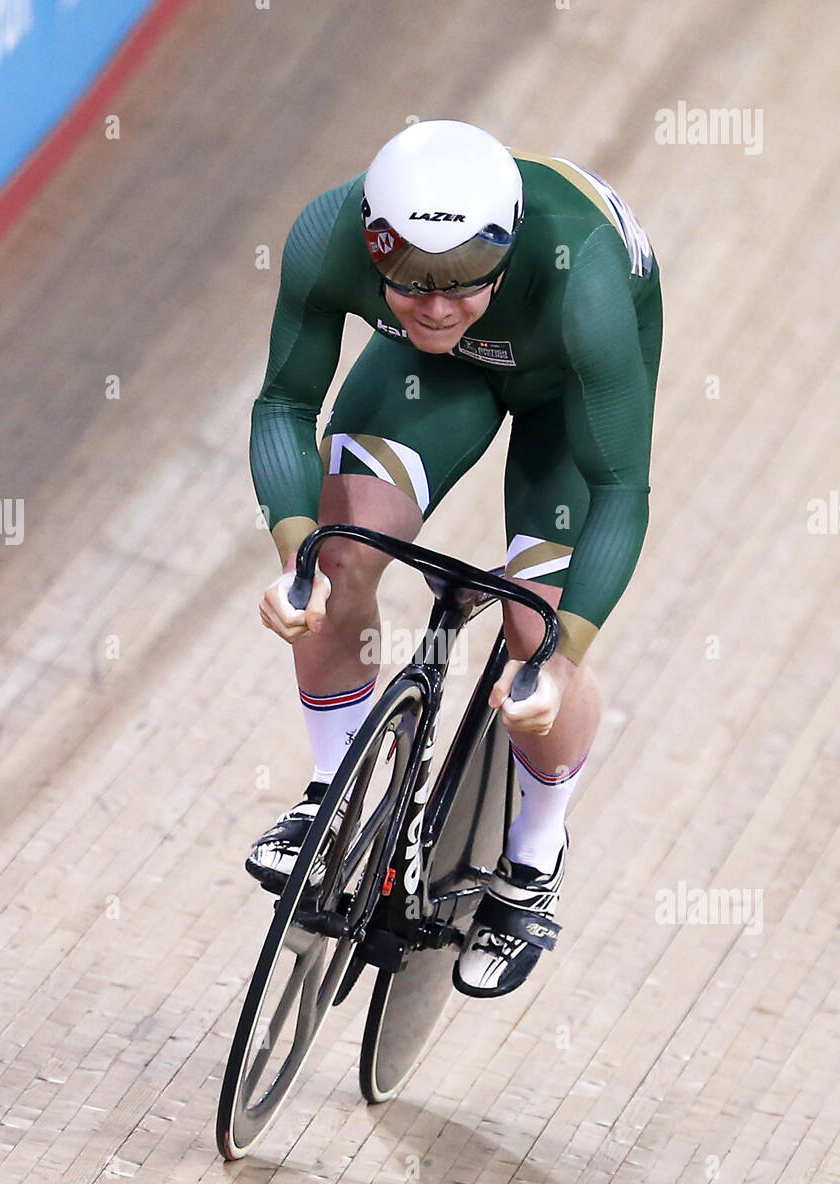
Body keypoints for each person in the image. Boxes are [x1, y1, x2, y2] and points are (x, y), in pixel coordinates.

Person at [245, 119, 662, 999]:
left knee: (530, 632)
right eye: (411, 287)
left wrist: (562, 654)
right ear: (374, 244)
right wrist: (295, 557)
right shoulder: (329, 237)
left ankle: (533, 857)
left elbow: (621, 489)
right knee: (339, 556)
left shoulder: (580, 284)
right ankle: (331, 788)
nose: (436, 309)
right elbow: (284, 402)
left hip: (566, 386)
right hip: (433, 377)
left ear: (505, 252)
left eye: (465, 286)